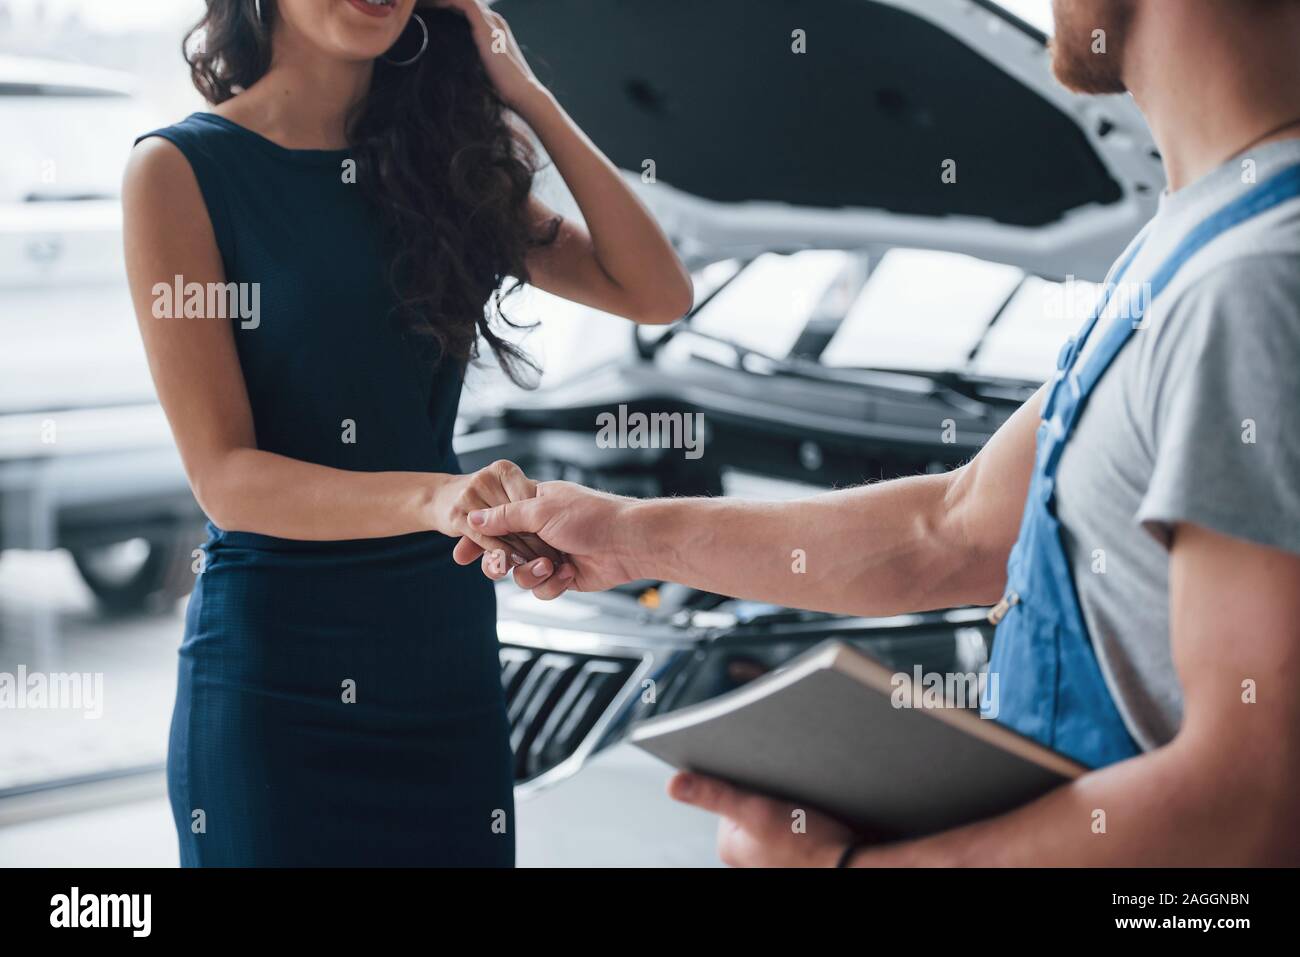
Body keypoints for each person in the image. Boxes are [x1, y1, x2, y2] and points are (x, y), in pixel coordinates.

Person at [460, 0, 1300, 866]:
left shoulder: (1256, 282)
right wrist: (628, 537)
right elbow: (954, 528)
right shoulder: (1192, 249)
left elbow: (1252, 804)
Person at [122, 0, 691, 866]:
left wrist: (526, 91)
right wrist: (438, 496)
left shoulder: (440, 166)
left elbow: (655, 291)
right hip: (276, 678)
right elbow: (225, 477)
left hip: (441, 660)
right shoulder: (180, 171)